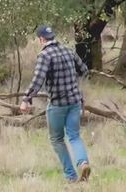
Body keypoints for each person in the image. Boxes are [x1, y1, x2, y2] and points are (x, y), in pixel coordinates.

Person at [20, 25, 91, 182]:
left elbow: (37, 80)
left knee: (57, 139)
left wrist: (26, 99)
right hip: (74, 101)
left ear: (41, 39)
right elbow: (84, 70)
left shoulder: (45, 55)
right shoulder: (68, 51)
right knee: (74, 136)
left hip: (57, 104)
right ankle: (83, 162)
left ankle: (71, 176)